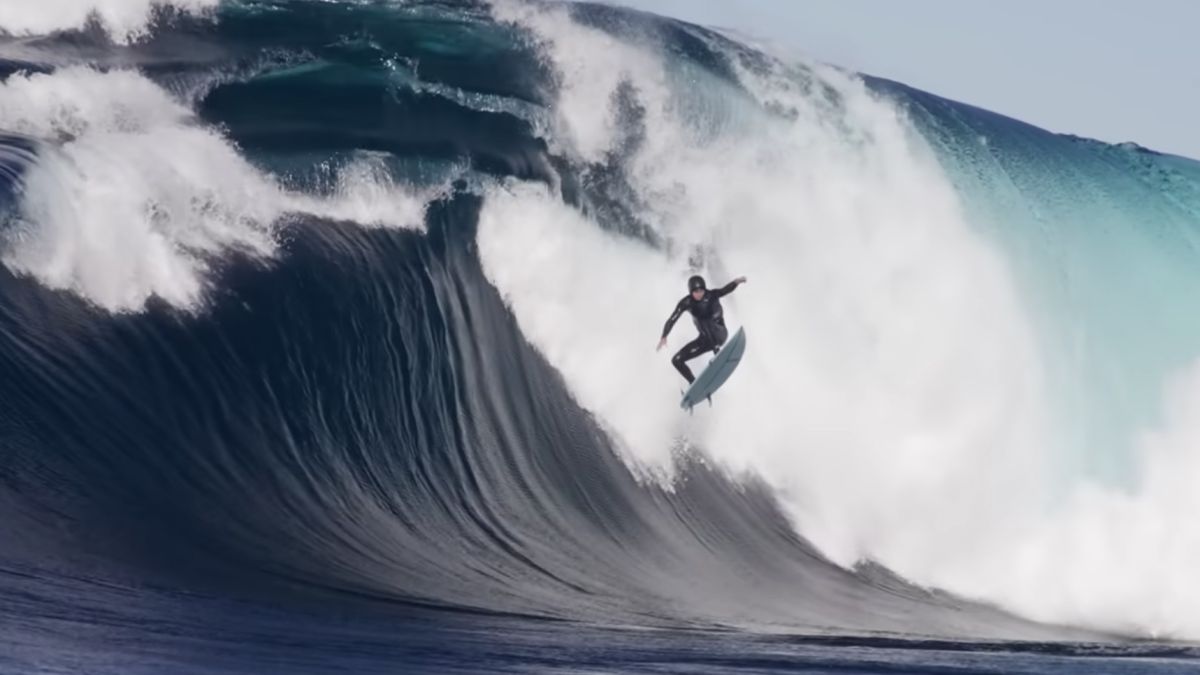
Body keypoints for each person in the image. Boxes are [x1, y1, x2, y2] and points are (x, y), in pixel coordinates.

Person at [657, 274, 747, 384]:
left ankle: (717, 353)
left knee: (704, 317)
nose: (699, 294)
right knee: (676, 360)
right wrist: (664, 336)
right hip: (705, 340)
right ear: (691, 292)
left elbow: (725, 290)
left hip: (719, 334)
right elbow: (672, 318)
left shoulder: (712, 295)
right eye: (696, 291)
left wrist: (737, 282)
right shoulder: (686, 302)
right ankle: (693, 383)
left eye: (701, 290)